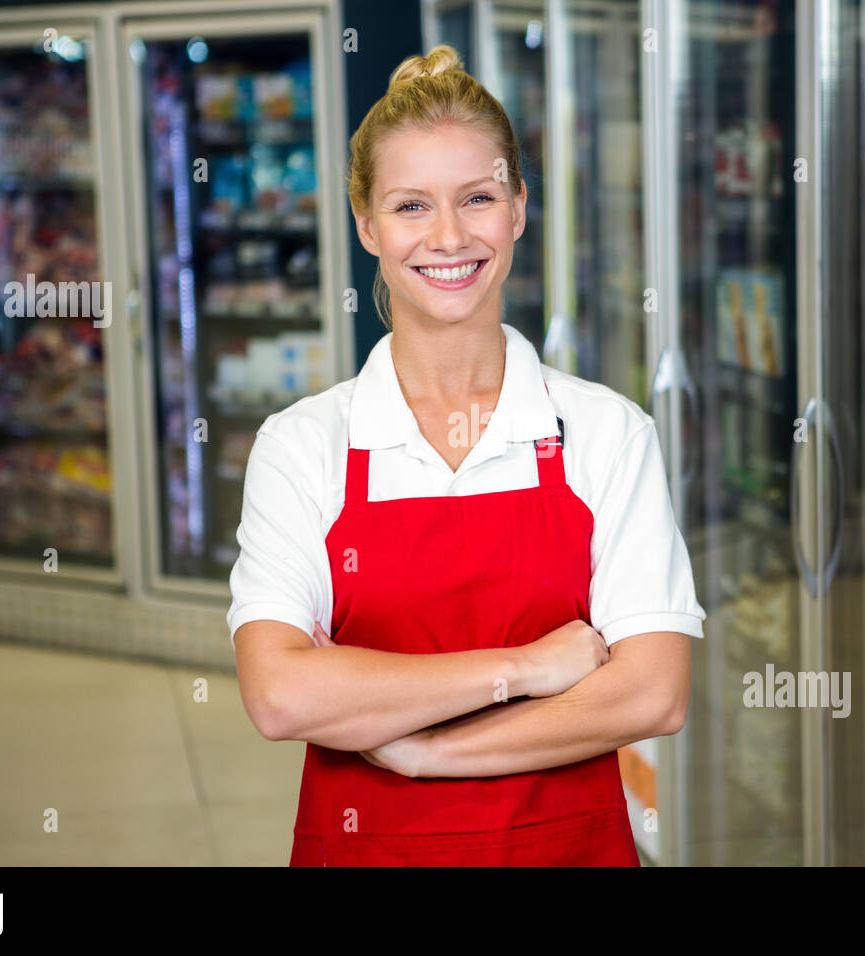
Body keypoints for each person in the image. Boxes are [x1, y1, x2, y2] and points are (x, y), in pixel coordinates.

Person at [229, 44, 706, 866]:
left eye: (477, 198)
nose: (448, 237)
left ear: (518, 208)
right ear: (365, 224)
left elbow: (654, 692)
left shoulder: (604, 433)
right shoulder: (304, 447)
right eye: (411, 206)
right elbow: (279, 694)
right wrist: (529, 668)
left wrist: (429, 751)